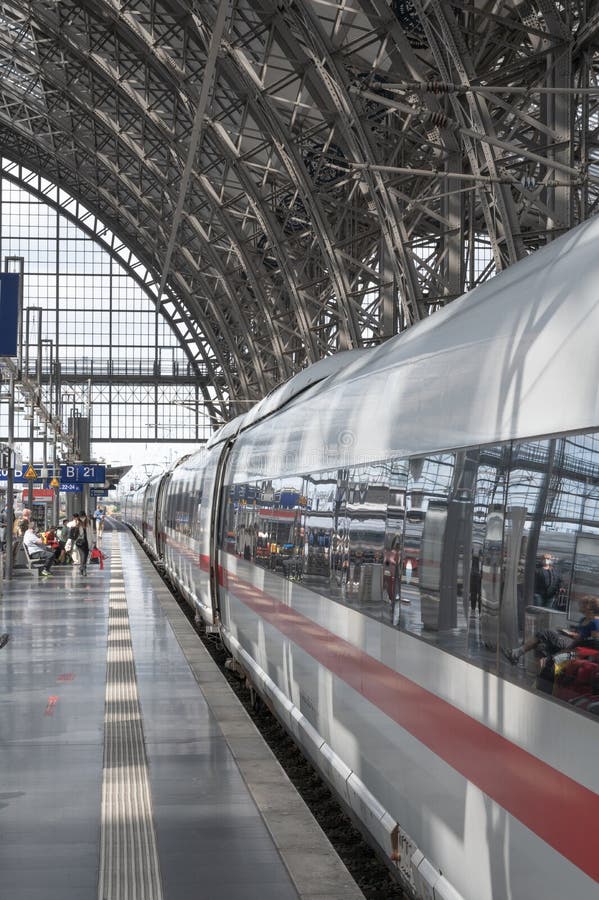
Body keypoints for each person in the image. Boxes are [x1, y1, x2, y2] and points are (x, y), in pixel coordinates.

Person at [502, 596, 599, 666]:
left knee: (545, 633)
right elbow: (579, 633)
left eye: (581, 605)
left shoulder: (595, 622)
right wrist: (569, 633)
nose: (579, 606)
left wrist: (575, 637)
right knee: (541, 646)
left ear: (588, 607)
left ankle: (517, 653)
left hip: (576, 647)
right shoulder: (583, 619)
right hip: (572, 640)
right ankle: (540, 675)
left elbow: (592, 642)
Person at [71, 510, 94, 575]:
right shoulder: (76, 522)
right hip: (80, 542)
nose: (82, 518)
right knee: (82, 555)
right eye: (81, 517)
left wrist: (94, 540)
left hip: (87, 542)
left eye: (83, 516)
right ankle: (84, 569)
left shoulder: (89, 521)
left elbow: (91, 532)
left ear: (85, 516)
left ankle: (82, 567)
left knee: (85, 556)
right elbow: (72, 532)